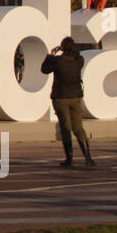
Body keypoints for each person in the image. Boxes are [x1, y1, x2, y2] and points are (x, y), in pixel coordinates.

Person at [41, 37, 95, 167]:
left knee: (66, 128)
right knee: (78, 128)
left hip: (61, 98)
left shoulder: (58, 61)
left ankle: (69, 158)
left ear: (62, 48)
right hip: (76, 98)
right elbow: (78, 56)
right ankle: (87, 157)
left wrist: (51, 54)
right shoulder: (79, 61)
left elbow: (44, 69)